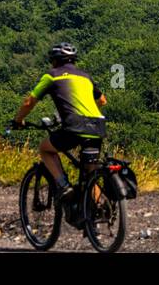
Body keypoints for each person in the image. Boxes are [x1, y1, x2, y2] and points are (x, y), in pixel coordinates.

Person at [12, 43, 106, 198]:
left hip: (74, 126)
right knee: (91, 174)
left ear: (54, 60)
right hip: (97, 126)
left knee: (44, 148)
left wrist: (18, 121)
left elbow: (29, 102)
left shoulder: (52, 75)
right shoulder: (85, 76)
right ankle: (94, 217)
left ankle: (63, 185)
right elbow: (102, 100)